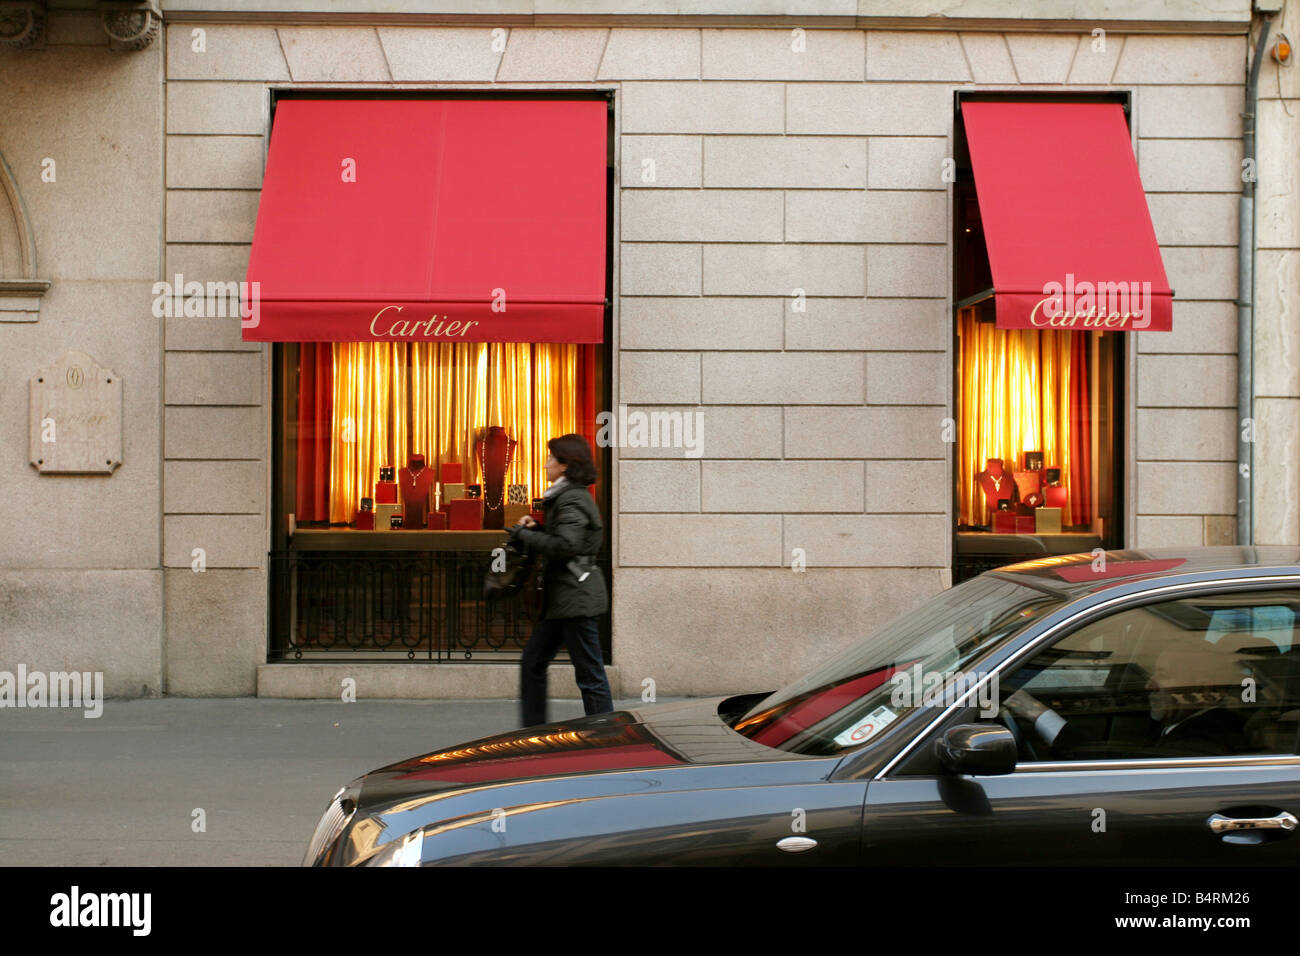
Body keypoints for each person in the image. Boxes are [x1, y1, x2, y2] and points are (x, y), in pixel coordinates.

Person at [508, 434, 613, 728]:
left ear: (565, 464)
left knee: (589, 674)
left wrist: (524, 535)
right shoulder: (566, 497)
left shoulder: (571, 498)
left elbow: (566, 546)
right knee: (533, 663)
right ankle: (533, 732)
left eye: (551, 458)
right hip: (565, 599)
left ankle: (607, 736)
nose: (545, 464)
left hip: (576, 598)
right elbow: (565, 539)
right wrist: (537, 529)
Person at [1002, 642, 1249, 759]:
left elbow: (1114, 765)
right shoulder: (1182, 723)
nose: (1149, 685)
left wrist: (1037, 713)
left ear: (1203, 687)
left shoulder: (1206, 738)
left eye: (1163, 675)